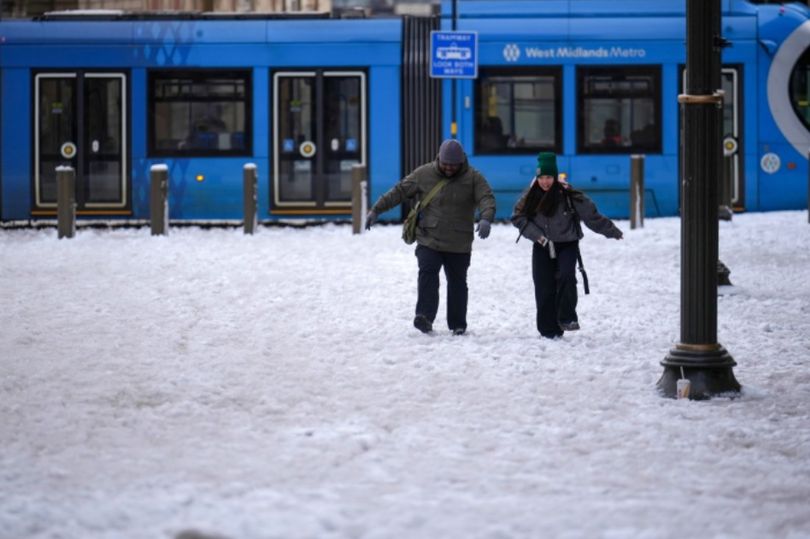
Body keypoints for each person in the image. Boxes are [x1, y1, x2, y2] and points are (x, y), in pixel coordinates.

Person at [365, 139, 496, 335]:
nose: (449, 168)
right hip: (429, 238)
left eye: (454, 165)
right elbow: (399, 191)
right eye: (445, 164)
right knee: (427, 273)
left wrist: (486, 218)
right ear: (439, 159)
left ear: (461, 162)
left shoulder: (473, 178)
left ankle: (458, 324)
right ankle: (424, 317)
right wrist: (376, 210)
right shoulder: (424, 174)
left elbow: (486, 198)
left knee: (457, 282)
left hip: (459, 242)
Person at [511, 152, 623, 339]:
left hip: (567, 244)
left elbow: (591, 216)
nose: (545, 182)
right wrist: (538, 237)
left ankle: (567, 318)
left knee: (566, 277)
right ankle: (548, 329)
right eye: (541, 178)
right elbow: (517, 217)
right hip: (542, 246)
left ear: (555, 177)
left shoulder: (568, 194)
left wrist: (611, 231)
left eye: (549, 177)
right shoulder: (530, 196)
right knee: (543, 286)